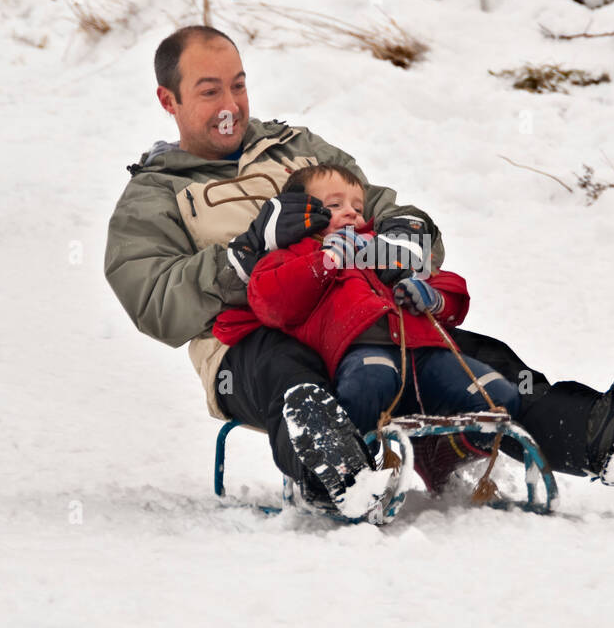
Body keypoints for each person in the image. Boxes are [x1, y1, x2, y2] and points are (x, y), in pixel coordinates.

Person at [104, 24, 614, 522]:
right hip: (254, 342)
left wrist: (408, 233)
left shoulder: (296, 148)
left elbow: (379, 205)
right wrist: (248, 251)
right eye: (209, 91)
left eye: (238, 84)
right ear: (168, 100)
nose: (230, 103)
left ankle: (597, 437)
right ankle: (334, 473)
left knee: (478, 356)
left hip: (362, 320)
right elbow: (152, 301)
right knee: (292, 376)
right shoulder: (155, 195)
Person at [218, 164, 522, 468]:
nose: (351, 213)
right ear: (303, 214)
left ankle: (443, 453)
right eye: (335, 205)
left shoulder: (383, 248)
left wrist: (436, 298)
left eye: (358, 207)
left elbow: (444, 281)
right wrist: (326, 260)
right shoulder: (295, 254)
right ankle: (349, 467)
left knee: (498, 395)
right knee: (369, 385)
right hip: (362, 354)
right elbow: (272, 299)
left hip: (423, 356)